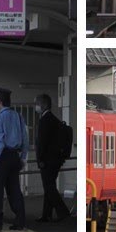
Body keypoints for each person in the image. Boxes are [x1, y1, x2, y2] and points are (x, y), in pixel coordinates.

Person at [0, 86, 27, 230]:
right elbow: (25, 139)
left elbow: (0, 142)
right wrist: (23, 157)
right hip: (15, 156)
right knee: (14, 189)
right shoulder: (18, 116)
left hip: (2, 156)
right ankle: (20, 221)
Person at [34, 94, 70, 222]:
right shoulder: (54, 119)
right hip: (56, 159)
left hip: (48, 160)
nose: (35, 106)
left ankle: (63, 211)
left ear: (43, 105)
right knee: (49, 186)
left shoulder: (45, 120)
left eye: (36, 103)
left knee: (49, 186)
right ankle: (46, 214)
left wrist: (40, 159)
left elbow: (42, 142)